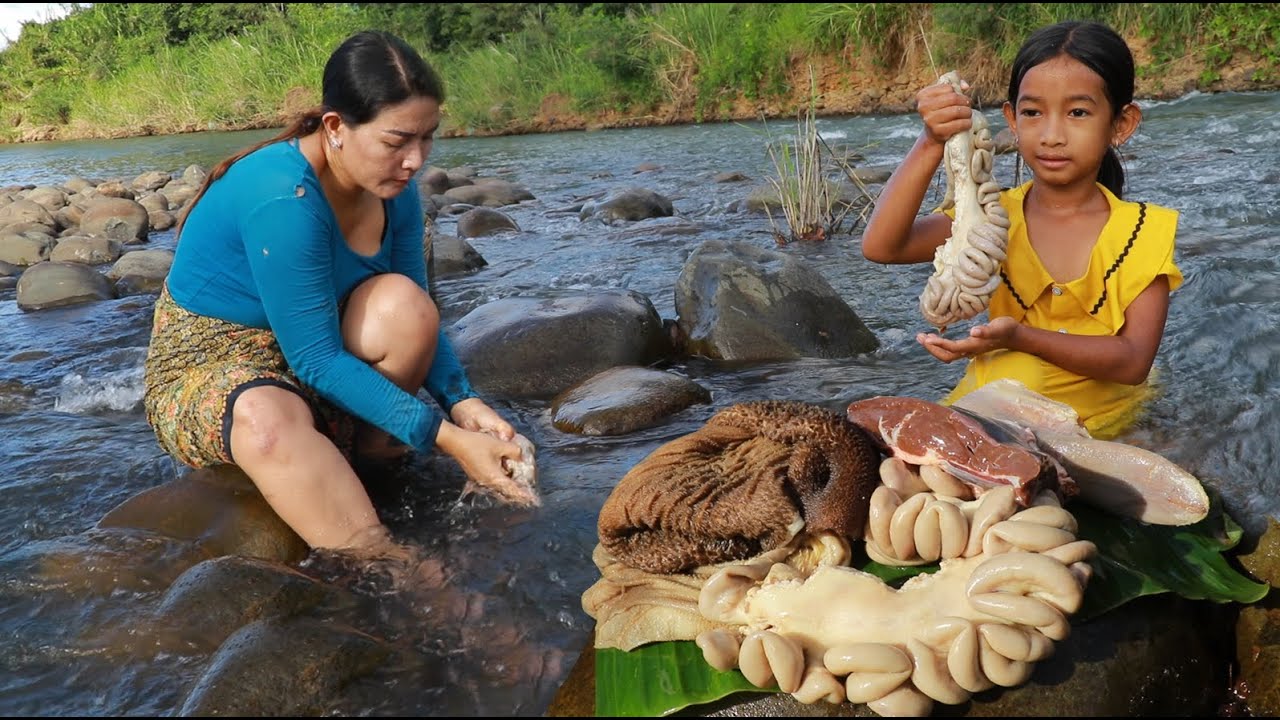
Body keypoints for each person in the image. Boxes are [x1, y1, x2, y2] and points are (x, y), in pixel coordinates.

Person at [142, 30, 524, 559]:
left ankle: (372, 458)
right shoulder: (283, 197)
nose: (415, 161)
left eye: (427, 137)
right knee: (266, 420)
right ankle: (383, 564)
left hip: (320, 343)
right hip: (216, 359)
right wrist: (452, 441)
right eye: (396, 142)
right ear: (335, 127)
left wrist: (463, 401)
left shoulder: (396, 193)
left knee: (407, 306)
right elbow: (316, 358)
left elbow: (414, 310)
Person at [861, 20, 1183, 439]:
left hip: (1093, 424)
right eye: (1033, 112)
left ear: (1121, 125)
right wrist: (930, 142)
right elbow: (884, 246)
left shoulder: (1144, 232)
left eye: (1078, 113)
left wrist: (1019, 338)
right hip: (988, 413)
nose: (1051, 135)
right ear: (1011, 120)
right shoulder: (992, 218)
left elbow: (1133, 361)